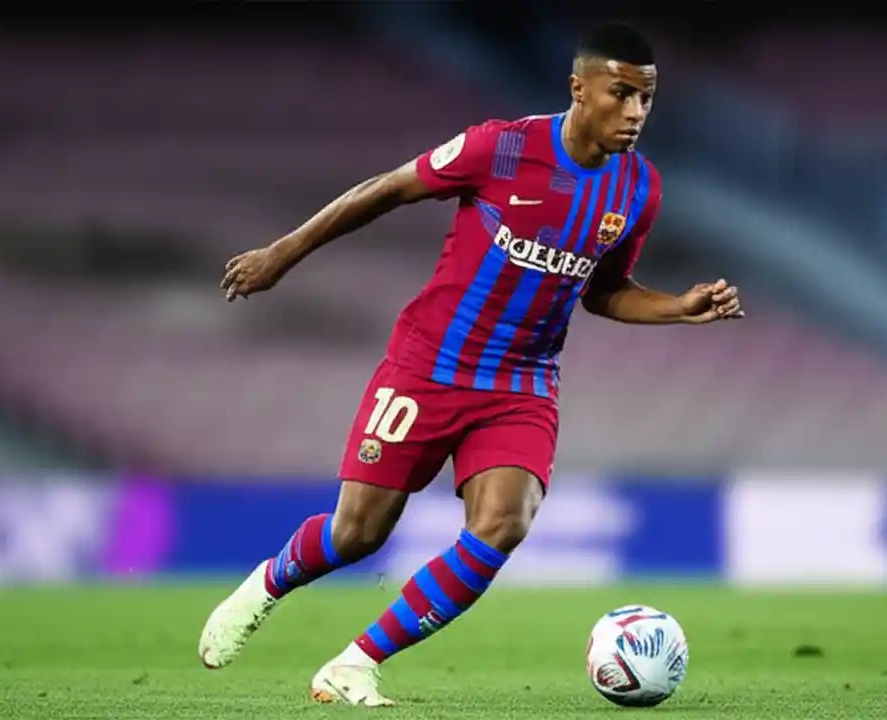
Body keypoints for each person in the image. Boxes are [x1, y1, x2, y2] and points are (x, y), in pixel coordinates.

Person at [199, 20, 743, 706]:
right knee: (357, 534)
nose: (635, 113)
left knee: (502, 524)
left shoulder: (638, 190)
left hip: (521, 383)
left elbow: (602, 292)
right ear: (579, 89)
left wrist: (678, 307)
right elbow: (387, 188)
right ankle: (265, 586)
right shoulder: (503, 147)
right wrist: (281, 253)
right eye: (621, 94)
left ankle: (356, 661)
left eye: (647, 99)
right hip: (429, 364)